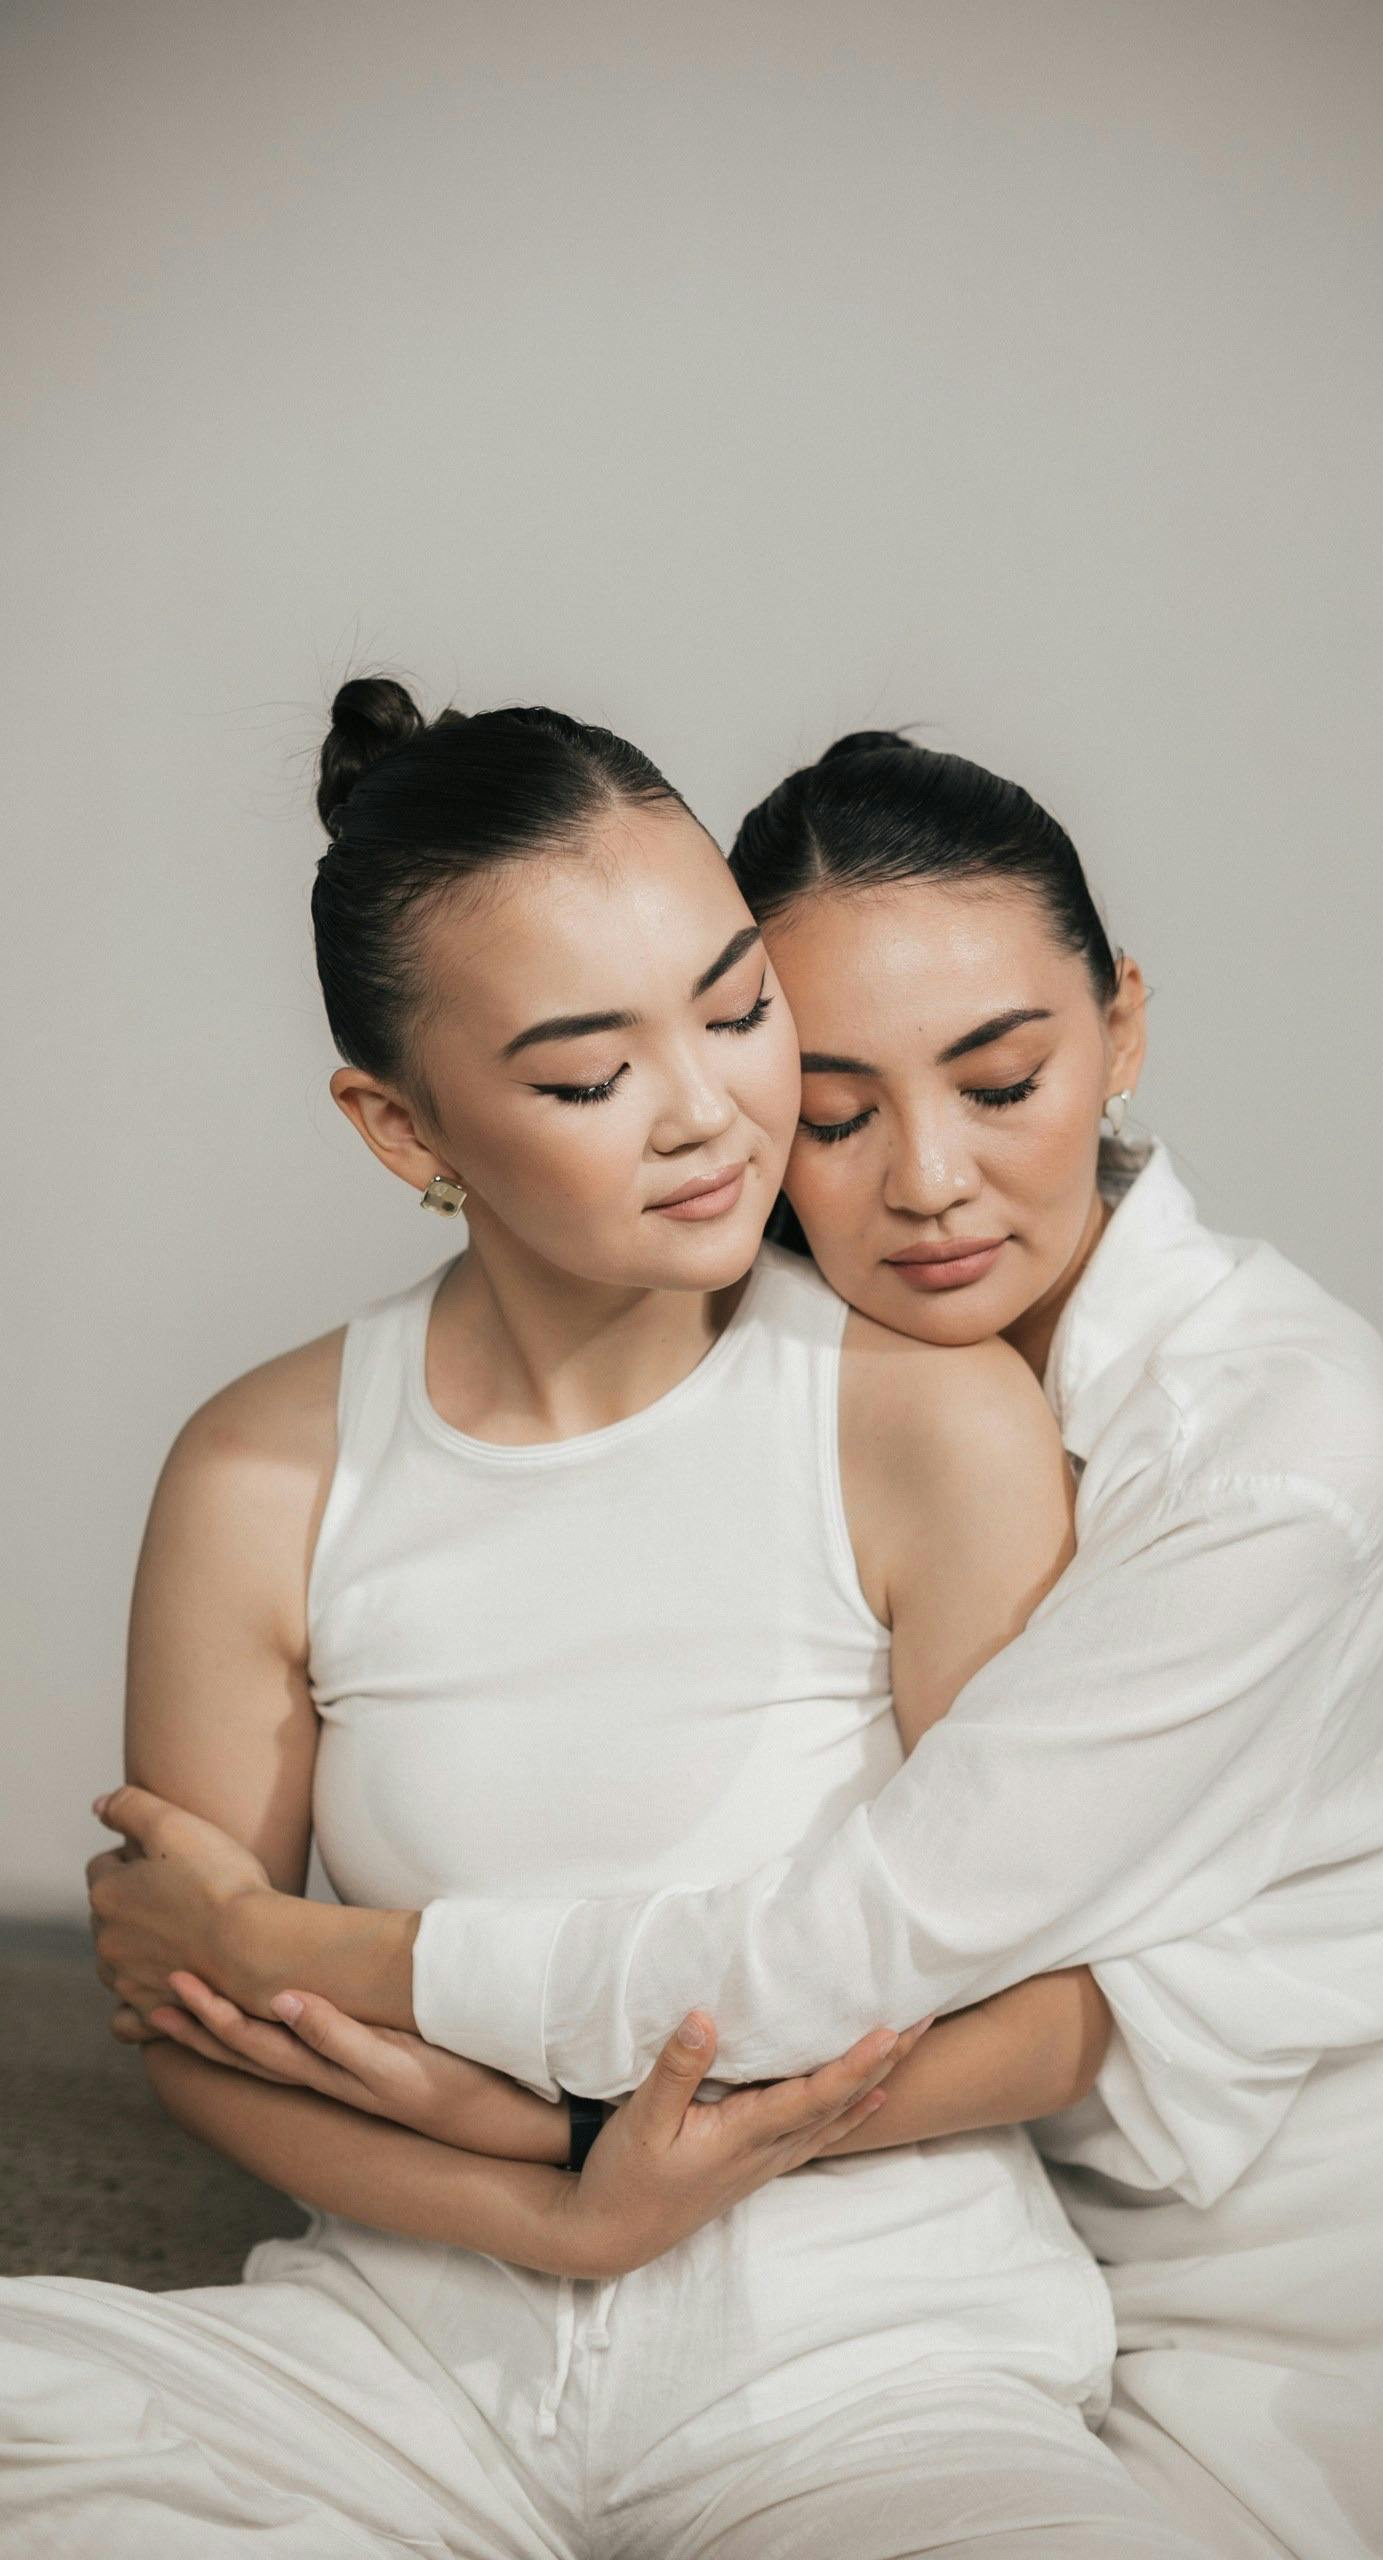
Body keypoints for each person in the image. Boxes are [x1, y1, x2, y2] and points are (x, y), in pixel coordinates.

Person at [93, 728, 1383, 2560]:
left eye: (1006, 1080)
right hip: (1151, 2278)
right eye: (840, 1113)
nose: (926, 1181)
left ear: (1121, 1030)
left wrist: (385, 2023)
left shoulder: (1268, 1454)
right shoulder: (823, 1381)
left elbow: (878, 1944)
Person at [2, 689, 1180, 2560]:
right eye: (585, 1076)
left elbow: (1057, 2017)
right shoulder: (258, 1473)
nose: (712, 1113)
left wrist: (565, 2133)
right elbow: (194, 2013)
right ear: (402, 1126)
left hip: (867, 2359)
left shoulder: (924, 1424)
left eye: (734, 1008)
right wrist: (558, 2226)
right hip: (401, 2366)